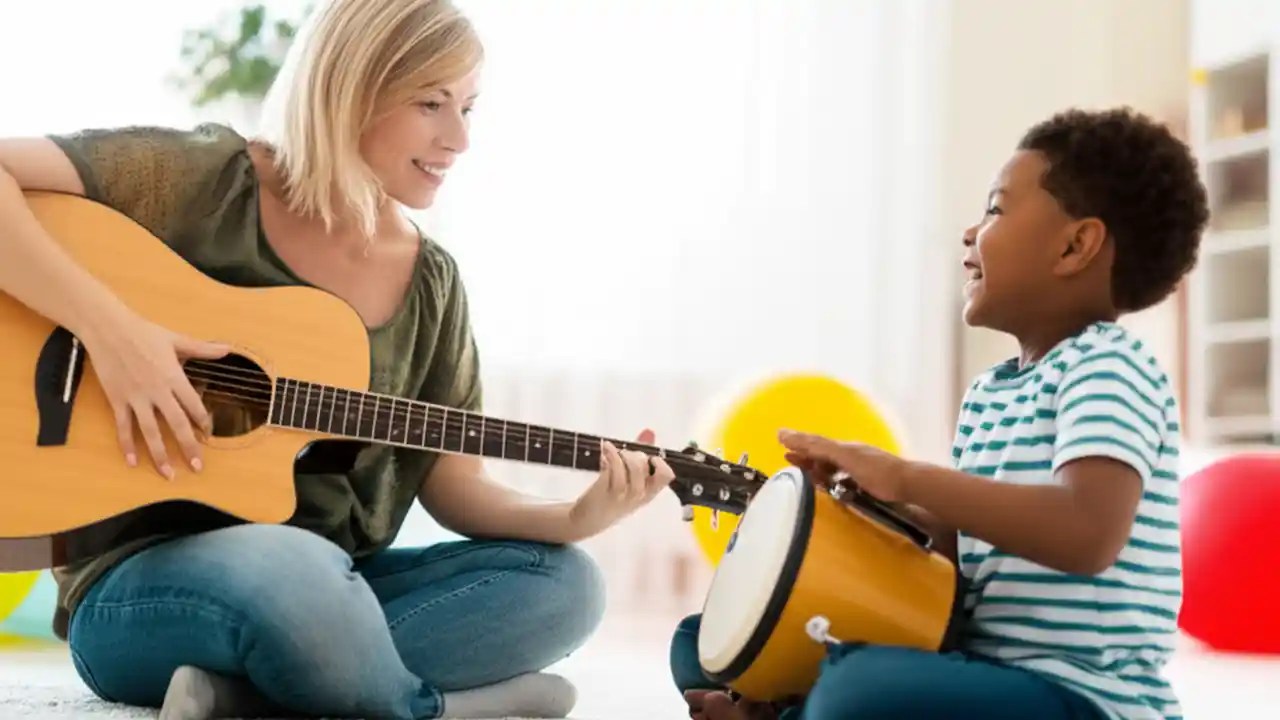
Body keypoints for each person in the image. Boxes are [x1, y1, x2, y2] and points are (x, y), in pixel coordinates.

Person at [0, 1, 678, 718]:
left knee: (565, 587)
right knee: (296, 571)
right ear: (351, 88)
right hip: (139, 593)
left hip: (334, 584)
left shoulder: (432, 285)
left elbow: (456, 486)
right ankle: (428, 709)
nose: (458, 139)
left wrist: (577, 515)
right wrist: (117, 335)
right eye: (431, 104)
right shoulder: (202, 177)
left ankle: (252, 695)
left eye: (469, 108)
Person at [670, 106, 1207, 720]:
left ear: (1075, 245)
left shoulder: (1110, 366)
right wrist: (873, 507)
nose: (970, 232)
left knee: (857, 690)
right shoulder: (990, 393)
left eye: (996, 209)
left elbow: (1087, 532)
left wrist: (905, 476)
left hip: (1084, 698)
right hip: (980, 669)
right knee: (707, 643)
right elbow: (953, 557)